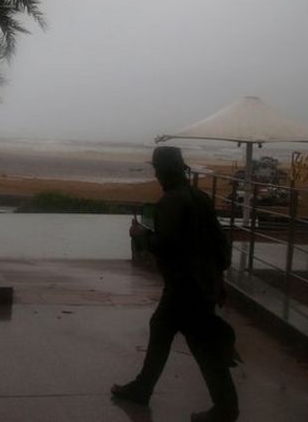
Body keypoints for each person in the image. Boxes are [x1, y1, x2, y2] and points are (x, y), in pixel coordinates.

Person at [112, 146, 239, 422]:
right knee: (164, 330)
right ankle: (143, 388)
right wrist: (217, 280)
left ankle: (226, 408)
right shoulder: (201, 198)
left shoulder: (171, 202)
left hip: (183, 286)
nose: (156, 175)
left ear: (164, 171)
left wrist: (140, 234)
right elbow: (219, 245)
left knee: (199, 345)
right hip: (201, 285)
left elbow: (165, 245)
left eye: (157, 170)